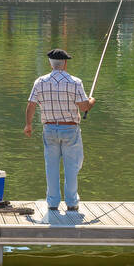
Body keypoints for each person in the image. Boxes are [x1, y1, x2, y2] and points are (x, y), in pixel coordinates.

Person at [24, 48, 94, 213]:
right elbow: (84, 106)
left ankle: (53, 203)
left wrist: (28, 125)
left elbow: (31, 105)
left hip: (49, 128)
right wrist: (92, 101)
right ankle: (71, 202)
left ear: (50, 63)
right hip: (70, 128)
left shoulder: (39, 82)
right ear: (65, 64)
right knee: (72, 166)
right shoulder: (75, 82)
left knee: (51, 166)